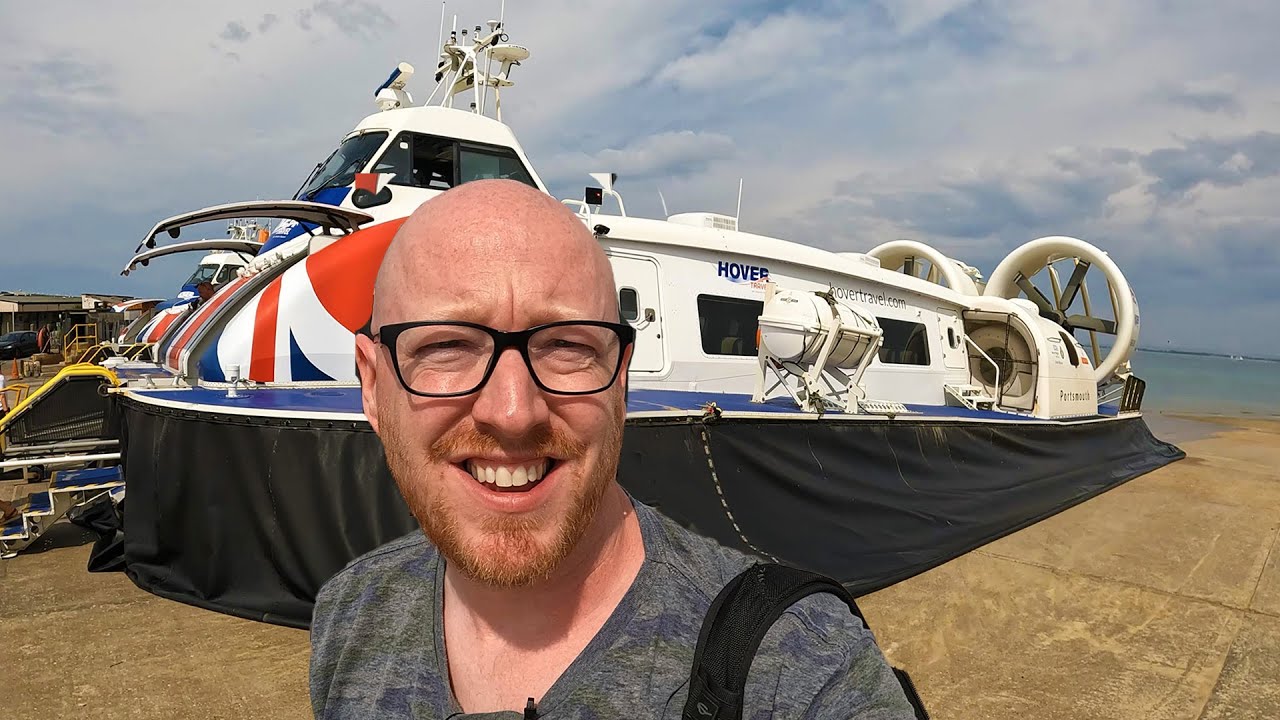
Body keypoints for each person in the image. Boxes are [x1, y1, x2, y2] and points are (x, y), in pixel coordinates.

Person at [310, 180, 916, 718]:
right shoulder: (349, 616)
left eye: (567, 346)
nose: (514, 411)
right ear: (372, 385)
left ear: (621, 379)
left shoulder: (799, 664)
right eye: (446, 346)